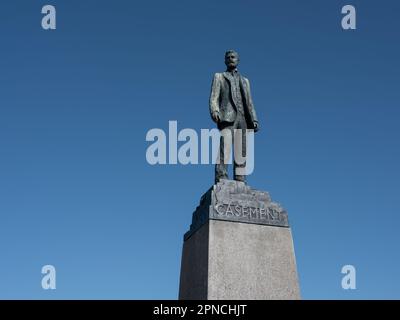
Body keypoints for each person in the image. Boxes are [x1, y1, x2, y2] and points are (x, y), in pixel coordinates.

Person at [209, 50, 259, 184]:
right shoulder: (219, 76)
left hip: (243, 118)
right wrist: (215, 110)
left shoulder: (245, 81)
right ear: (225, 61)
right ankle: (221, 177)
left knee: (241, 150)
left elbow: (249, 101)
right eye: (228, 57)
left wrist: (254, 119)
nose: (231, 59)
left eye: (233, 57)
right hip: (227, 116)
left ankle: (240, 178)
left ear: (238, 60)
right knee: (224, 147)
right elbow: (214, 97)